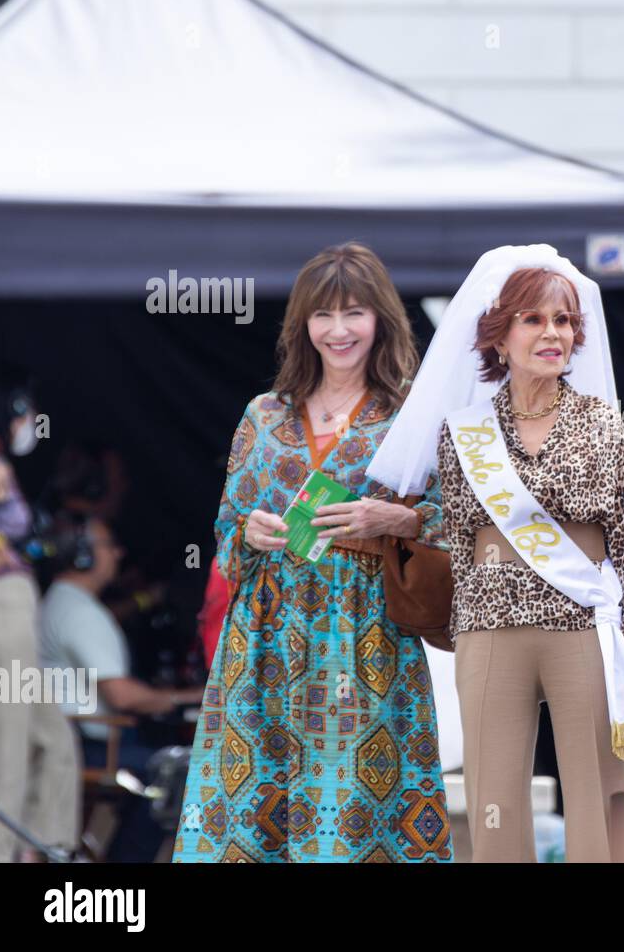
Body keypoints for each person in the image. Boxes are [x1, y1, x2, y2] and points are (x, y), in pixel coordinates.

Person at [369, 244, 624, 862]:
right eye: (533, 319)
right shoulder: (463, 432)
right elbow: (455, 539)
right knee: (494, 816)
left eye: (563, 320)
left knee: (598, 817)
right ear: (499, 337)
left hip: (584, 628)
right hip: (488, 632)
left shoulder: (604, 425)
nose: (552, 333)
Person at [171, 242, 453, 862]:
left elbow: (460, 521)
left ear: (381, 319)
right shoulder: (263, 415)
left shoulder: (410, 416)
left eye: (354, 313)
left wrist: (396, 517)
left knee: (353, 817)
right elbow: (226, 529)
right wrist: (251, 532)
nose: (338, 330)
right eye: (323, 315)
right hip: (267, 637)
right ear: (303, 324)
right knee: (251, 811)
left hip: (366, 637)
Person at [39, 514, 198, 862]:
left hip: (73, 739)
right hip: (90, 745)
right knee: (171, 774)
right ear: (83, 556)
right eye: (109, 546)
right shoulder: (79, 613)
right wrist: (189, 697)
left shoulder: (62, 602)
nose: (119, 553)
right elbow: (122, 696)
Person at [0, 380, 81, 862]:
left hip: (14, 603)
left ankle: (44, 849)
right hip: (3, 604)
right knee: (8, 740)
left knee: (51, 738)